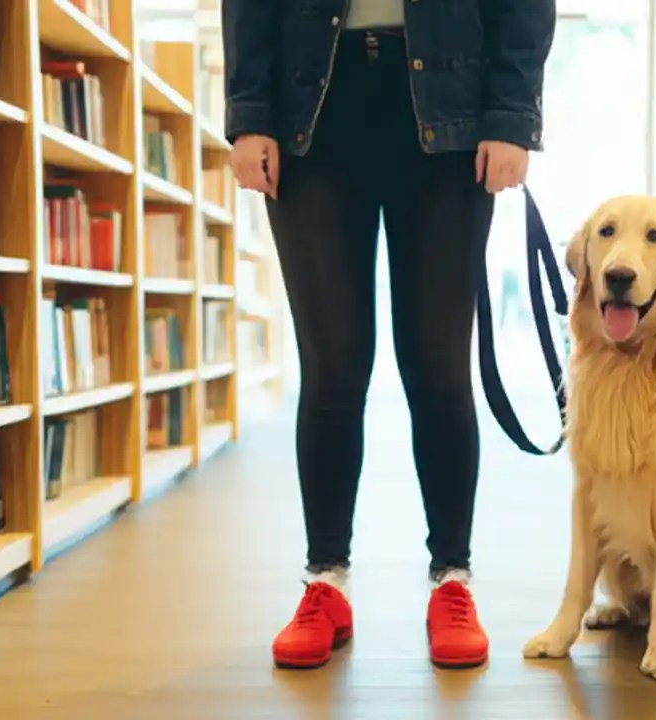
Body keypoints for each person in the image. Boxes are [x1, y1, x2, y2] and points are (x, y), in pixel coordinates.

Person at [222, 0, 556, 670]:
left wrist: (513, 116)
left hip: (449, 107)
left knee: (437, 364)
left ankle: (452, 580)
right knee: (332, 367)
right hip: (310, 108)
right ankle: (326, 582)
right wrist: (249, 114)